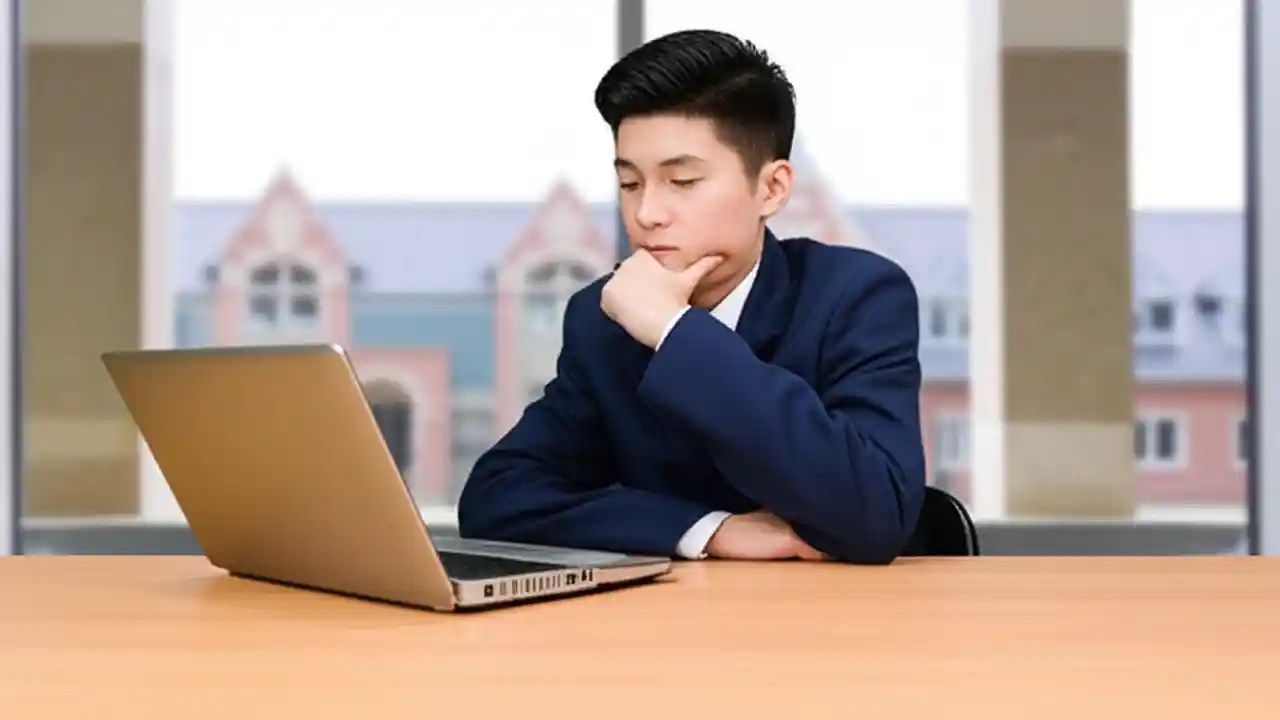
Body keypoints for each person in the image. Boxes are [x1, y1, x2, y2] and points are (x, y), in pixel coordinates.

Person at [457, 29, 925, 564]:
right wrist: (708, 530)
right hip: (664, 627)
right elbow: (498, 498)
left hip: (831, 627)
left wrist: (674, 330)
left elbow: (877, 512)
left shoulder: (855, 294)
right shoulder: (603, 313)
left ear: (771, 189)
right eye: (630, 184)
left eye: (681, 182)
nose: (646, 214)